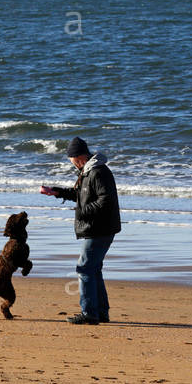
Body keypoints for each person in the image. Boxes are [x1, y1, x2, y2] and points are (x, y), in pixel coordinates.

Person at [40, 137, 121, 325]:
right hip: (98, 227)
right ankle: (100, 312)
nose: (73, 165)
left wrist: (82, 212)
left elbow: (105, 201)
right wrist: (56, 191)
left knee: (84, 268)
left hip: (100, 229)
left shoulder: (98, 172)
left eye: (73, 161)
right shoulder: (88, 171)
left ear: (79, 157)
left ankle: (89, 313)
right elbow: (81, 194)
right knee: (94, 269)